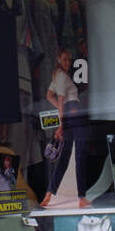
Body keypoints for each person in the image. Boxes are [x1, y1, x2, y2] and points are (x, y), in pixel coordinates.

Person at [41, 49, 91, 209]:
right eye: (65, 59)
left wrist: (62, 113)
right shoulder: (62, 77)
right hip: (74, 113)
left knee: (66, 157)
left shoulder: (58, 76)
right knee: (79, 155)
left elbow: (49, 95)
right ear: (58, 59)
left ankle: (49, 193)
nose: (68, 63)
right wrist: (60, 126)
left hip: (70, 112)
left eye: (69, 60)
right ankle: (81, 197)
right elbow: (60, 101)